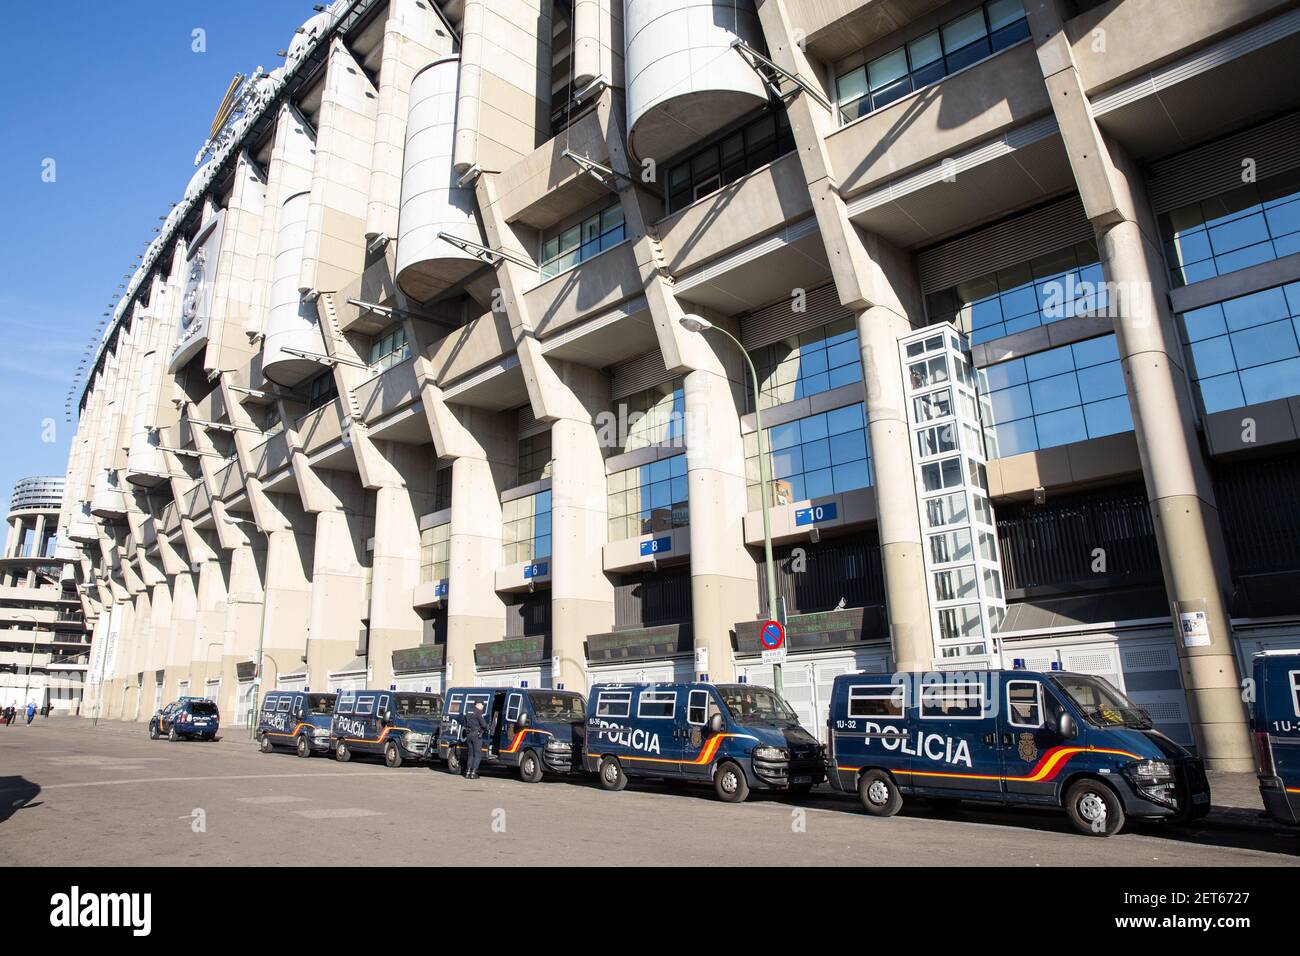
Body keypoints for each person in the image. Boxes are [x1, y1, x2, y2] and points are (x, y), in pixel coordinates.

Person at [463, 701, 487, 779]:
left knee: (470, 754)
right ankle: (473, 773)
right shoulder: (478, 712)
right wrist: (488, 727)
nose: (483, 707)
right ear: (478, 704)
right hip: (476, 735)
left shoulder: (469, 711)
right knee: (477, 755)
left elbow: (465, 722)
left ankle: (467, 773)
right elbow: (484, 725)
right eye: (482, 705)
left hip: (469, 734)